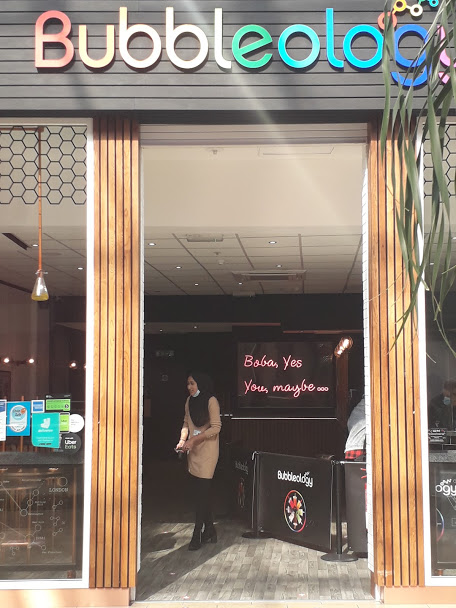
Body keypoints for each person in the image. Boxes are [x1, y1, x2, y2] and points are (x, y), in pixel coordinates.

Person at [175, 372, 222, 551]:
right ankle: (210, 530)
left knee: (203, 492)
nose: (189, 387)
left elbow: (216, 428)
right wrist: (182, 440)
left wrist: (194, 439)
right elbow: (186, 423)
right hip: (193, 450)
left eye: (192, 383)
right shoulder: (189, 401)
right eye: (188, 383)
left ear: (200, 384)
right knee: (201, 494)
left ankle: (197, 534)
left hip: (208, 451)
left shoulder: (211, 401)